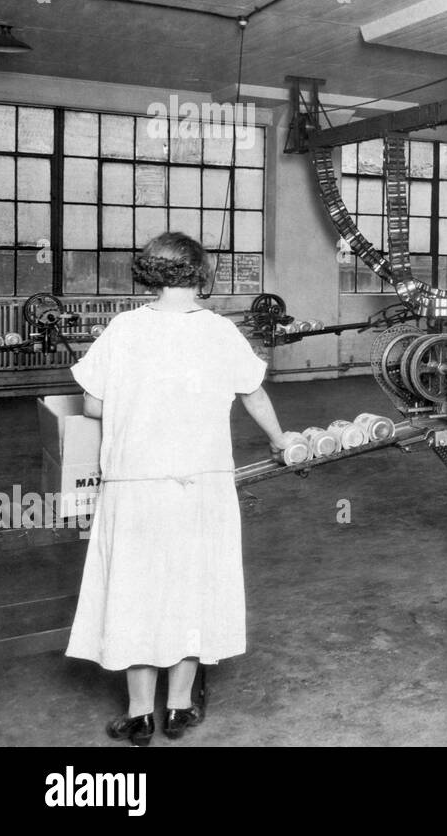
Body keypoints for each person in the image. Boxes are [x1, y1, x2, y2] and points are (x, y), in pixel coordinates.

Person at [66, 232, 299, 746]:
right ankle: (178, 709)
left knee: (137, 592)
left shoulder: (124, 329)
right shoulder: (219, 331)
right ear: (201, 275)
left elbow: (93, 408)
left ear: (148, 272)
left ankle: (139, 715)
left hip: (136, 485)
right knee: (195, 587)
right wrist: (282, 440)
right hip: (200, 483)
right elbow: (253, 392)